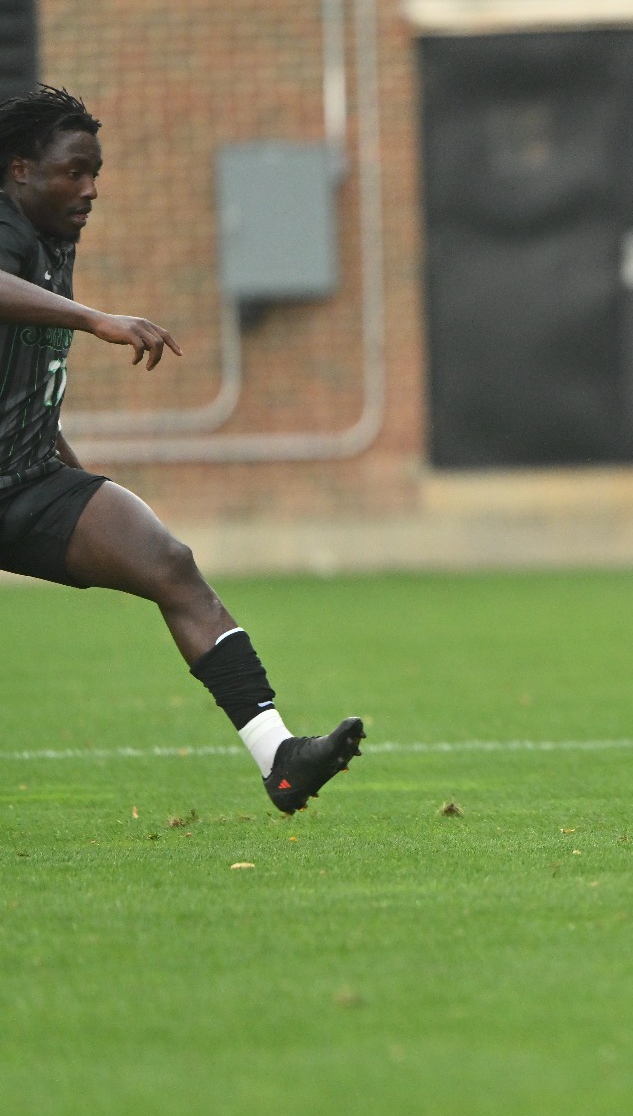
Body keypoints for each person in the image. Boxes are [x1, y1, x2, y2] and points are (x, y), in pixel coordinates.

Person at [0, 86, 362, 810]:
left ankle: (279, 757)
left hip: (25, 479)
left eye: (95, 172)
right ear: (18, 172)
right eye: (73, 171)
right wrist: (96, 319)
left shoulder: (54, 241)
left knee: (171, 563)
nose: (90, 188)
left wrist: (72, 474)